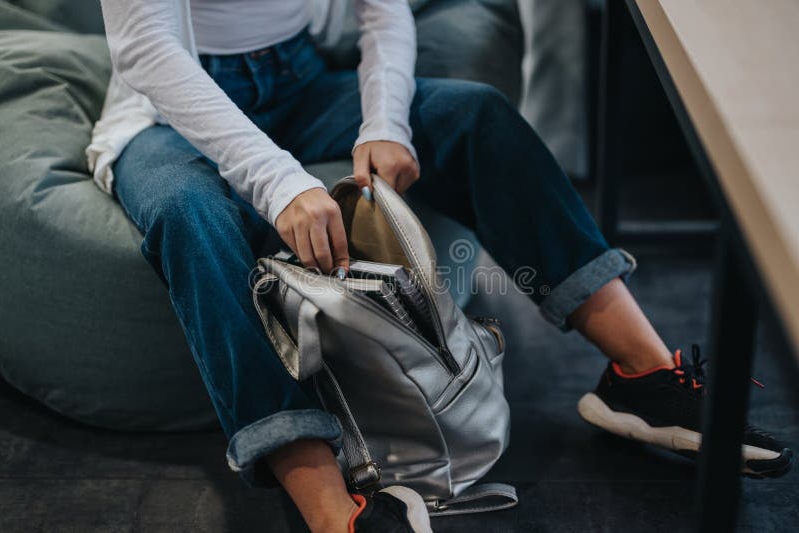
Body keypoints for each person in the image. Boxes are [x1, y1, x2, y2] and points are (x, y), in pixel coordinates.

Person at [87, 1, 793, 531]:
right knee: (189, 212)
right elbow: (148, 51)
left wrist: (385, 123)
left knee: (478, 116)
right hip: (164, 106)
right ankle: (333, 508)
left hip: (297, 78)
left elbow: (381, 9)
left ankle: (640, 376)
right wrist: (281, 183)